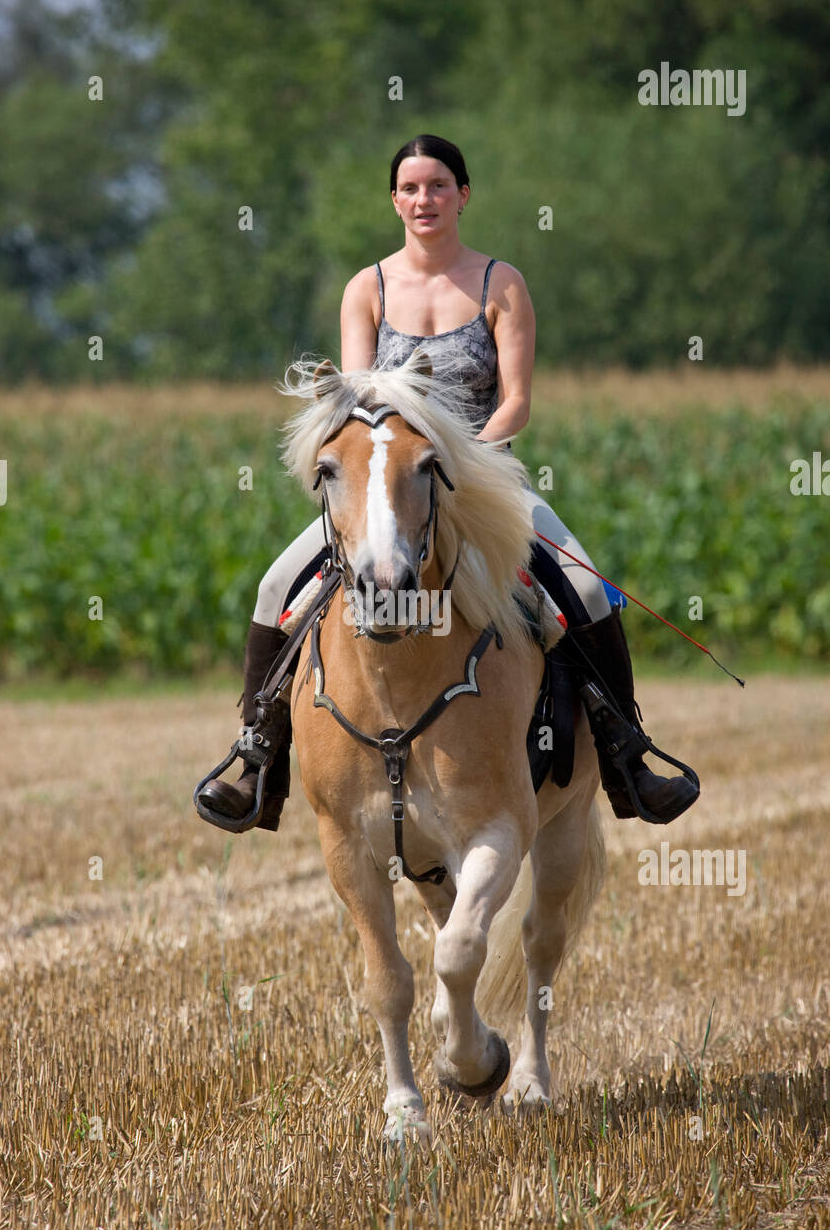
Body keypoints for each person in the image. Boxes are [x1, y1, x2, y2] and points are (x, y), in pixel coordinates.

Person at [197, 134, 699, 830]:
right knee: (275, 587)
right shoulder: (366, 288)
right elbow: (357, 401)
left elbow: (516, 399)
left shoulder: (502, 283)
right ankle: (256, 760)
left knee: (584, 590)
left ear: (463, 194)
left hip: (484, 482)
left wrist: (463, 463)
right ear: (394, 200)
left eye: (437, 185)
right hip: (388, 489)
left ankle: (628, 760)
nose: (423, 199)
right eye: (409, 188)